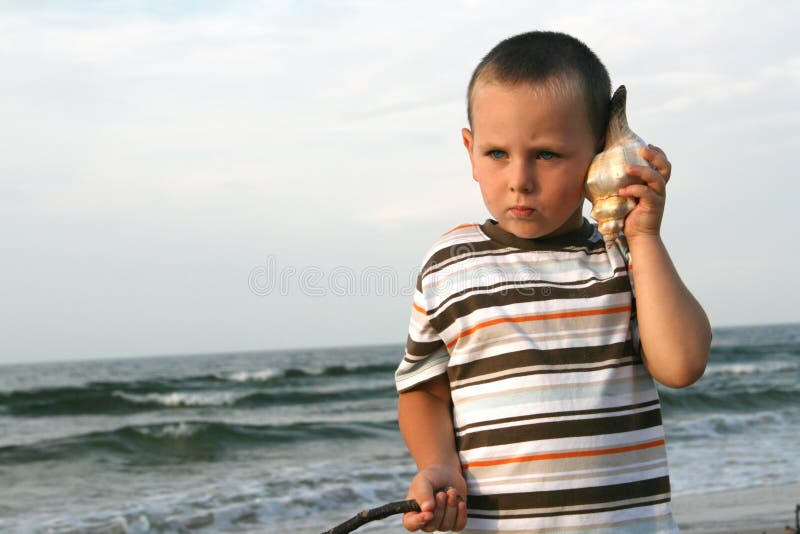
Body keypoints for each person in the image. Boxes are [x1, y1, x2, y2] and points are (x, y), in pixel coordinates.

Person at [395, 31, 711, 533]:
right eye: (497, 153)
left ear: (598, 152)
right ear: (469, 148)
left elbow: (681, 364)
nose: (519, 178)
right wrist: (438, 465)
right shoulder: (449, 262)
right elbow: (423, 390)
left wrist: (645, 235)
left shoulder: (621, 256)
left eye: (546, 154)